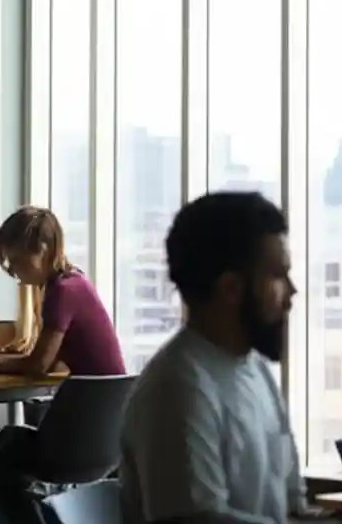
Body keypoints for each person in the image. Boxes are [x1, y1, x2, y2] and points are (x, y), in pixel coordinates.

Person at [120, 191, 319, 524]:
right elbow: (196, 520)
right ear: (230, 289)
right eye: (278, 276)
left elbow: (291, 510)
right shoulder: (177, 388)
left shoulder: (255, 371)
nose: (292, 292)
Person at [0, 206, 126, 524]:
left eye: (17, 262)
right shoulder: (78, 283)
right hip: (107, 442)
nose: (16, 273)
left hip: (79, 443)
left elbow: (39, 365)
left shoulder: (61, 292)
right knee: (9, 440)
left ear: (43, 250)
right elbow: (52, 362)